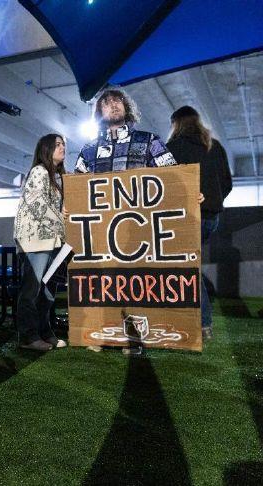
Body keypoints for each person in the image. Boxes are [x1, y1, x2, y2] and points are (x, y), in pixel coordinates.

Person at [75, 88, 180, 355]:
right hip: (100, 230)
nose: (113, 105)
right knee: (101, 283)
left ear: (126, 107)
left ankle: (133, 338)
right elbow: (76, 188)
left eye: (117, 100)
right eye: (106, 102)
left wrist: (191, 195)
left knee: (133, 283)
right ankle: (100, 334)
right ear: (98, 112)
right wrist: (69, 208)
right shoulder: (88, 151)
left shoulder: (148, 141)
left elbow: (173, 176)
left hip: (137, 228)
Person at [167, 106, 232, 340]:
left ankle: (202, 322)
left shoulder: (173, 148)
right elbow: (227, 183)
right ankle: (196, 320)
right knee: (190, 265)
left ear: (176, 124)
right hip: (212, 217)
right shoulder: (215, 146)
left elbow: (165, 184)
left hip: (188, 216)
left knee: (186, 268)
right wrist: (214, 200)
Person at [13, 134, 68, 351]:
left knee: (47, 291)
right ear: (46, 149)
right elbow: (37, 205)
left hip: (52, 240)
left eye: (63, 144)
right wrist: (62, 219)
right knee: (32, 289)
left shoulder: (57, 176)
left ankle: (45, 332)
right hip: (35, 239)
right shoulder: (39, 171)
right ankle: (28, 336)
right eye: (57, 145)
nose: (62, 147)